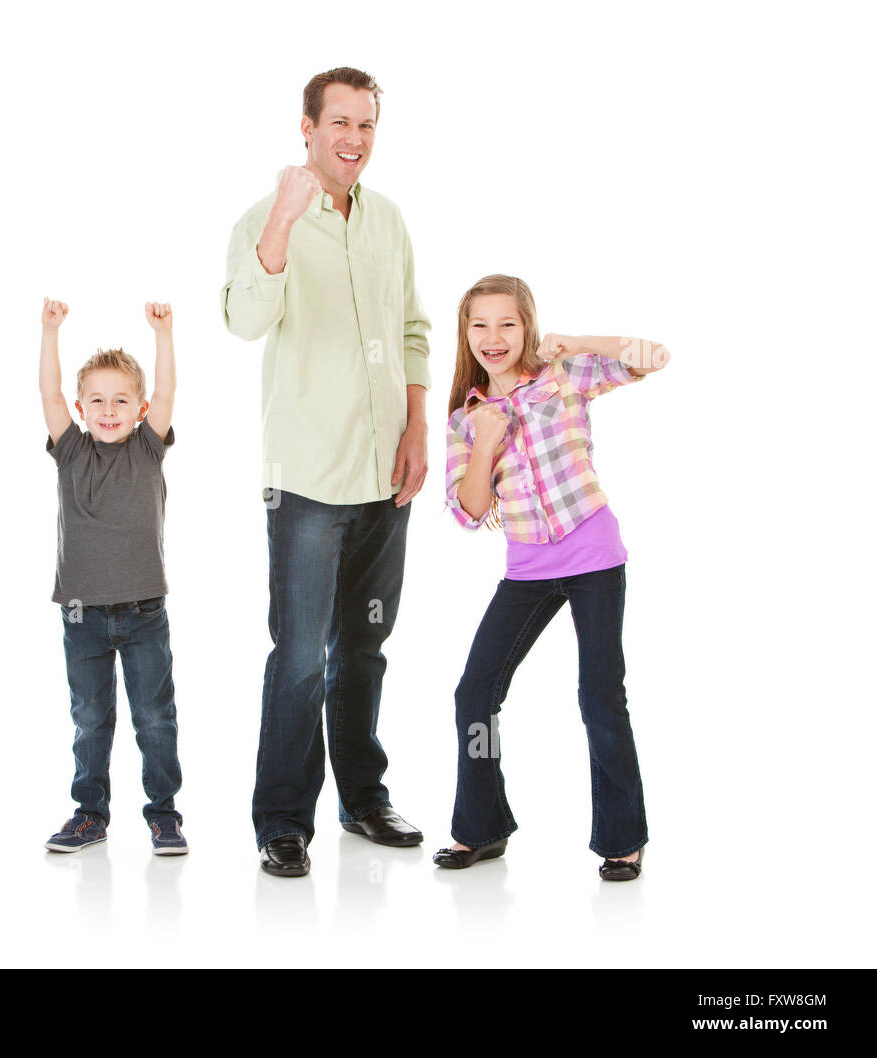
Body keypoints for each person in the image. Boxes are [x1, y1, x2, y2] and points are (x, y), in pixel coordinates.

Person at [221, 67, 431, 877]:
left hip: (385, 474)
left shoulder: (389, 221)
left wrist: (417, 426)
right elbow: (244, 318)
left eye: (366, 124)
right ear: (306, 129)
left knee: (366, 646)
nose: (354, 138)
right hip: (308, 477)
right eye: (339, 122)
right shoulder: (262, 219)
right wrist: (283, 217)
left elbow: (412, 329)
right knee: (301, 655)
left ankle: (364, 799)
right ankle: (281, 821)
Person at [436, 274, 669, 880]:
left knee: (599, 695)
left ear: (527, 327)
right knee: (475, 693)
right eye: (480, 325)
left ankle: (623, 839)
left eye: (506, 323)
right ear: (466, 334)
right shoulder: (467, 419)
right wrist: (485, 443)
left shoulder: (563, 376)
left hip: (594, 556)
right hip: (528, 569)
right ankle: (481, 828)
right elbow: (468, 512)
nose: (493, 336)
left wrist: (581, 341)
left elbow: (655, 357)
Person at [38, 298, 187, 856]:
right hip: (82, 616)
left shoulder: (147, 448)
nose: (108, 409)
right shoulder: (71, 451)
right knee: (90, 720)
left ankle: (164, 814)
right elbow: (49, 395)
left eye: (121, 400)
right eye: (96, 400)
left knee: (155, 719)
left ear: (139, 408)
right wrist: (50, 332)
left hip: (145, 612)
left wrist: (163, 336)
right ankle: (89, 815)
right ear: (81, 408)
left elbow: (168, 392)